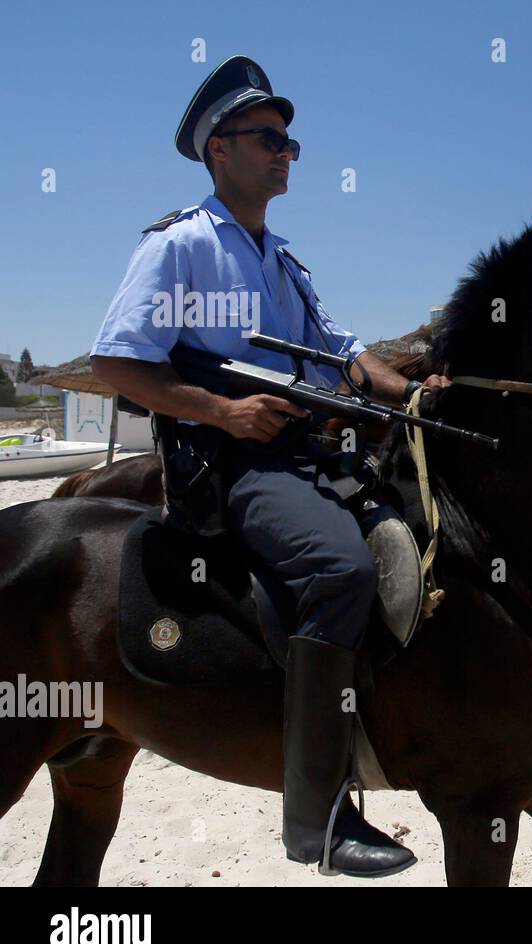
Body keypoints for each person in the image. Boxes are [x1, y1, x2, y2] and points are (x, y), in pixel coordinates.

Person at [89, 56, 447, 878]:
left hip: (305, 449)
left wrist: (416, 394)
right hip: (230, 462)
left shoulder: (285, 260)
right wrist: (223, 410)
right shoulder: (181, 246)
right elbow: (117, 362)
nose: (287, 153)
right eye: (270, 139)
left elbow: (347, 357)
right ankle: (318, 817)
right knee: (339, 567)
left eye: (292, 142)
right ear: (220, 149)